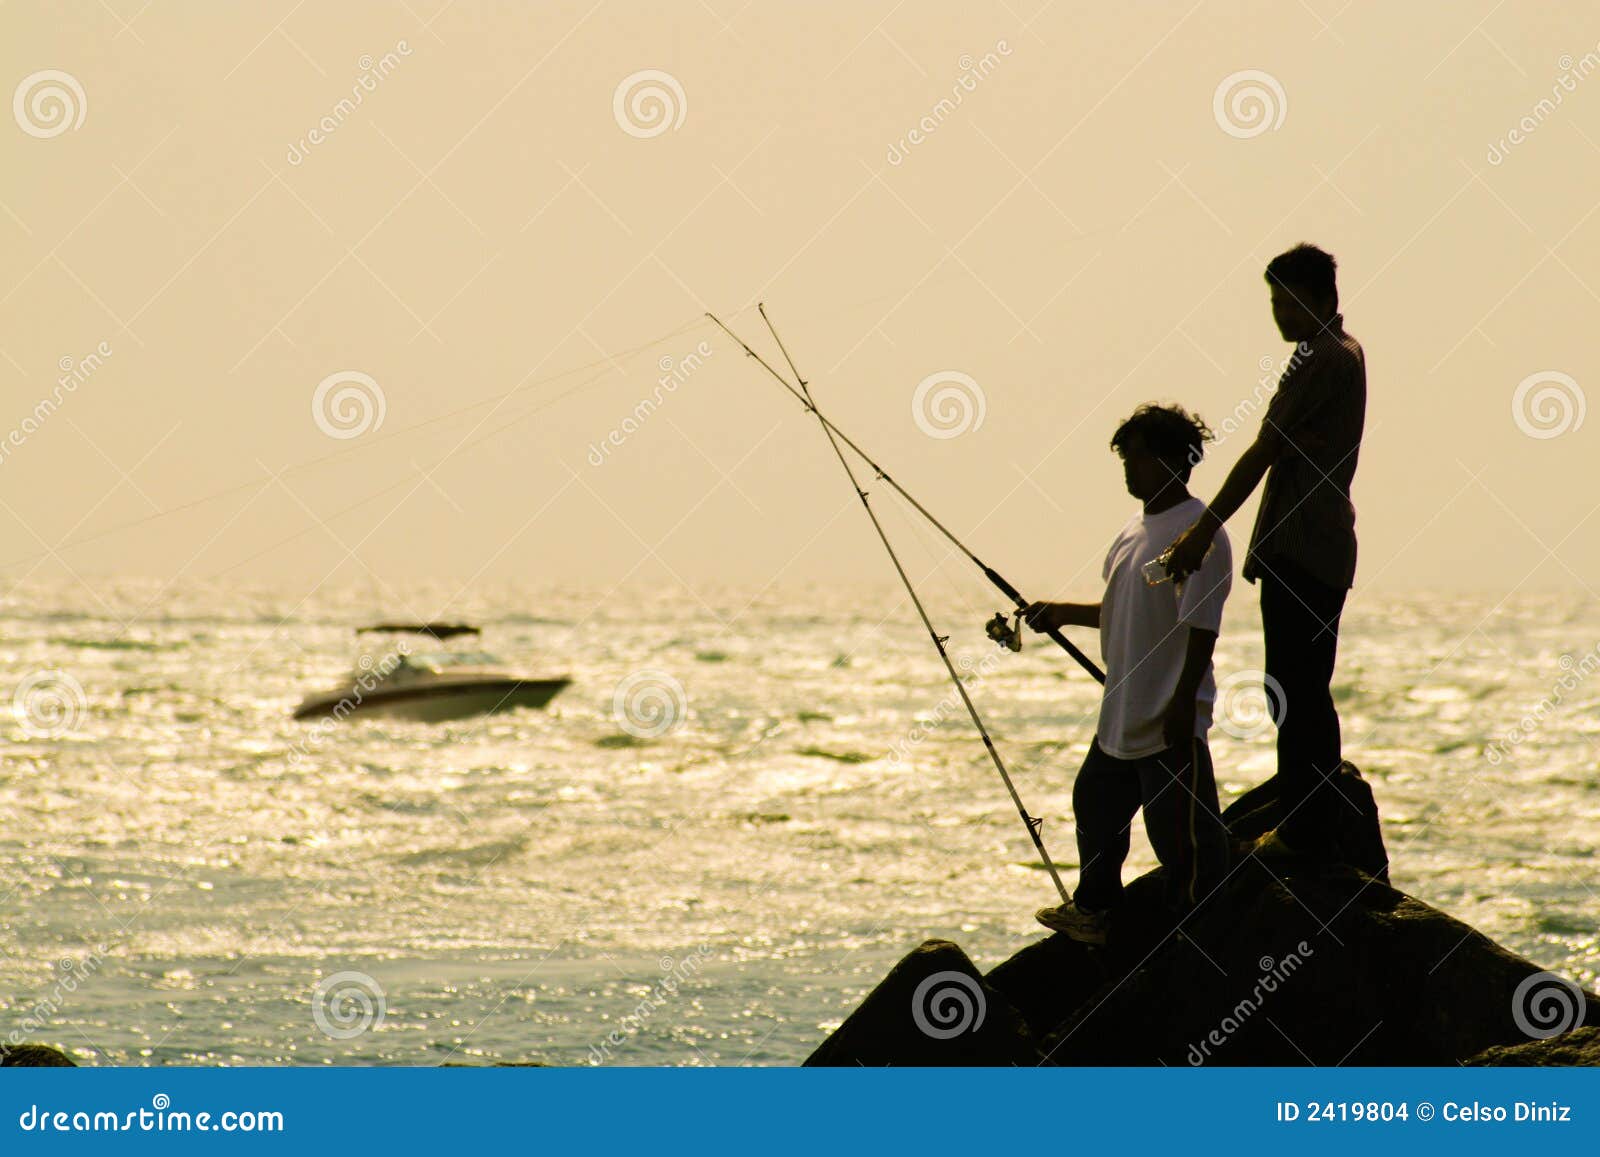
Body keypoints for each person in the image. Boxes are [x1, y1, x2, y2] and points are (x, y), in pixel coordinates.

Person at [1165, 243, 1366, 862]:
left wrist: (1201, 531)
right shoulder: (1335, 354)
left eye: (1283, 301)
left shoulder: (1325, 360)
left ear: (1312, 297)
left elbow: (1262, 452)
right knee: (1300, 685)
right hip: (1312, 547)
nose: (1276, 314)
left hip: (1306, 548)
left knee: (1296, 686)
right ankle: (1313, 807)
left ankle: (1307, 823)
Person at [1024, 403, 1232, 945]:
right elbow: (1123, 611)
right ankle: (1095, 911)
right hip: (1121, 711)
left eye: (1137, 458)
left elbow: (1202, 628)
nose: (1127, 469)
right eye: (1125, 457)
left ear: (1170, 462)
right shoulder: (1131, 531)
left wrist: (1183, 702)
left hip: (1167, 717)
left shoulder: (1197, 533)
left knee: (1182, 840)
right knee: (1093, 804)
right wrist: (1063, 613)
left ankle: (1202, 938)